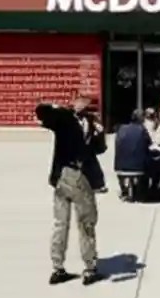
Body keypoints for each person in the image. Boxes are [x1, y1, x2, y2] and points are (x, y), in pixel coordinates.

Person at [35, 94, 106, 286]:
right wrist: (60, 107)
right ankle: (67, 267)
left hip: (78, 174)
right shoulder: (64, 119)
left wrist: (99, 134)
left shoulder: (91, 123)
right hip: (69, 174)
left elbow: (99, 149)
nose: (85, 106)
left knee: (83, 222)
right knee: (73, 222)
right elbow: (41, 111)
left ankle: (85, 265)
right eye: (81, 102)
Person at [114, 110, 153, 199]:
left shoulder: (121, 128)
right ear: (141, 119)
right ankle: (143, 191)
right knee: (151, 165)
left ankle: (124, 189)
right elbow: (149, 144)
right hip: (138, 166)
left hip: (120, 166)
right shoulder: (142, 130)